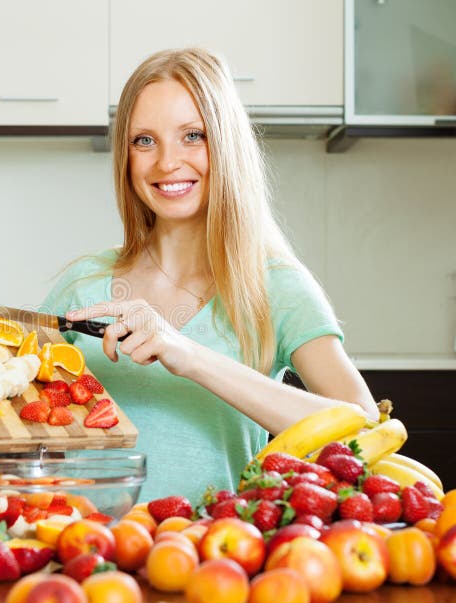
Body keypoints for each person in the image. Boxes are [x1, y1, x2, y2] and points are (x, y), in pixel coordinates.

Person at [41, 47, 378, 503]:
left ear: (226, 144)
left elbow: (364, 433)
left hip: (217, 562)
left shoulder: (277, 288)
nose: (166, 162)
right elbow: (19, 419)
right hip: (87, 557)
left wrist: (190, 356)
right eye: (144, 140)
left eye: (193, 135)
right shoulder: (83, 284)